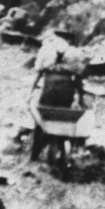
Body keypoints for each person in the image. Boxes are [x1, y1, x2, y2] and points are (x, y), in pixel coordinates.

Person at [29, 30, 86, 163]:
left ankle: (35, 153)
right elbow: (78, 78)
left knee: (42, 118)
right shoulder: (75, 52)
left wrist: (31, 91)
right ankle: (60, 149)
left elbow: (38, 72)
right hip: (66, 87)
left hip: (50, 85)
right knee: (62, 117)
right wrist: (81, 99)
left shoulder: (46, 49)